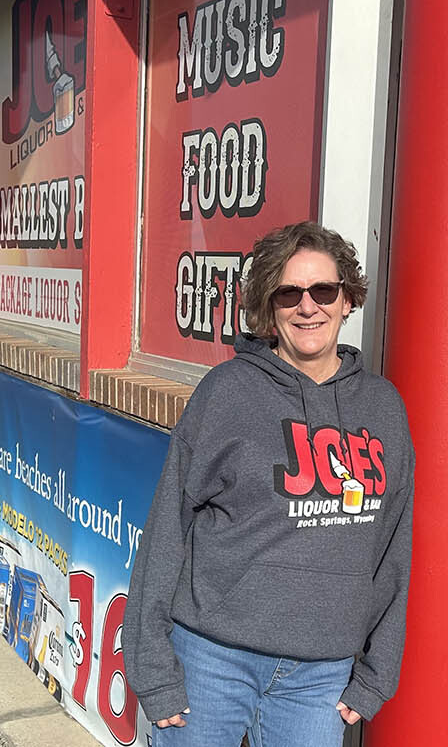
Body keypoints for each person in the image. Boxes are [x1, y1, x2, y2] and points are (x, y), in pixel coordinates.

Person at [121, 221, 416, 746]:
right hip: (213, 662)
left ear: (347, 300)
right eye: (289, 293)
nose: (309, 307)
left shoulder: (383, 408)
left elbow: (394, 549)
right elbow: (168, 530)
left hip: (321, 677)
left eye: (324, 290)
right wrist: (152, 668)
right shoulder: (226, 394)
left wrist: (376, 673)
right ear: (269, 308)